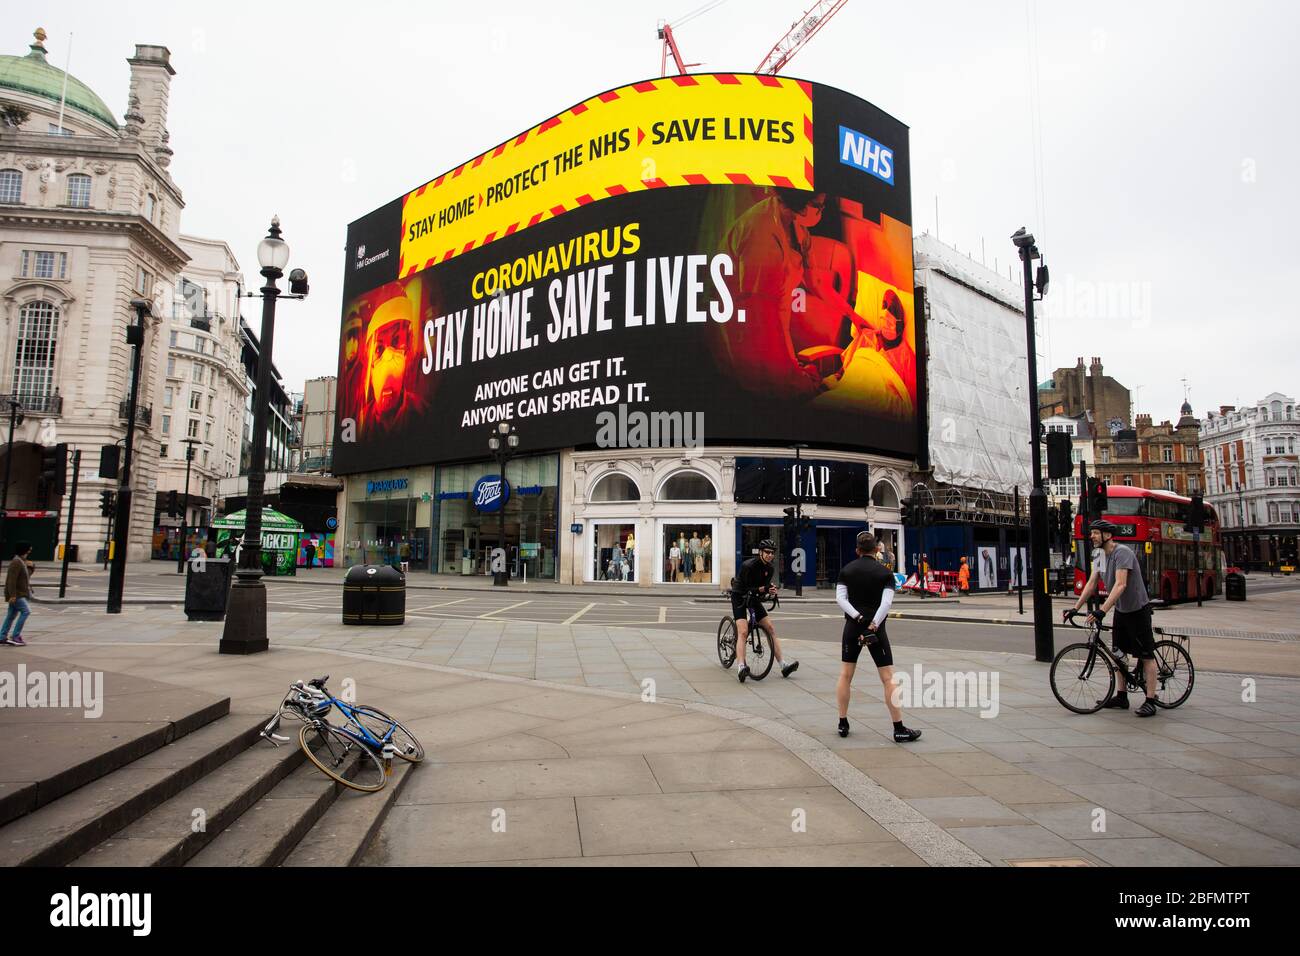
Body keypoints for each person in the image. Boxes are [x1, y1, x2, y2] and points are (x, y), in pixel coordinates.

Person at [1066, 519, 1159, 717]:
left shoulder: (1122, 552)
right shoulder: (1099, 554)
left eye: (1095, 533)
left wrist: (1102, 611)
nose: (1092, 536)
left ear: (1107, 535)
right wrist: (1075, 608)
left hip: (1138, 610)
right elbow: (1091, 583)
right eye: (1091, 533)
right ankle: (1121, 696)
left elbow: (1121, 584)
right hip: (1122, 611)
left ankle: (1151, 700)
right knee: (1118, 653)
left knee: (1146, 655)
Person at [835, 532, 921, 741]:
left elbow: (840, 599)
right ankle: (898, 728)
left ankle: (842, 722)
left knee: (846, 675)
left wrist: (858, 617)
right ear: (877, 550)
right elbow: (886, 604)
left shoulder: (846, 571)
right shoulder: (885, 574)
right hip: (876, 628)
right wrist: (873, 623)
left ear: (857, 550)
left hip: (853, 627)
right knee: (887, 678)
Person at [733, 539, 798, 682]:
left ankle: (783, 665)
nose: (770, 555)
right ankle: (741, 667)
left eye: (772, 553)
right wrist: (763, 589)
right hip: (740, 596)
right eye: (767, 552)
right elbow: (746, 588)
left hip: (753, 597)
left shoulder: (770, 569)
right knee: (743, 631)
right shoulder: (748, 566)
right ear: (760, 552)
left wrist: (771, 592)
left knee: (770, 627)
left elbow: (762, 590)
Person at [1, 542, 35, 646]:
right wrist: (12, 595)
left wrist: (31, 568)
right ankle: (15, 636)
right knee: (26, 611)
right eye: (28, 550)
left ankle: (2, 636)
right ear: (23, 550)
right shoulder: (16, 562)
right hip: (17, 594)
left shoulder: (21, 561)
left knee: (11, 615)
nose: (29, 553)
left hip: (18, 593)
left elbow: (24, 578)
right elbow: (11, 580)